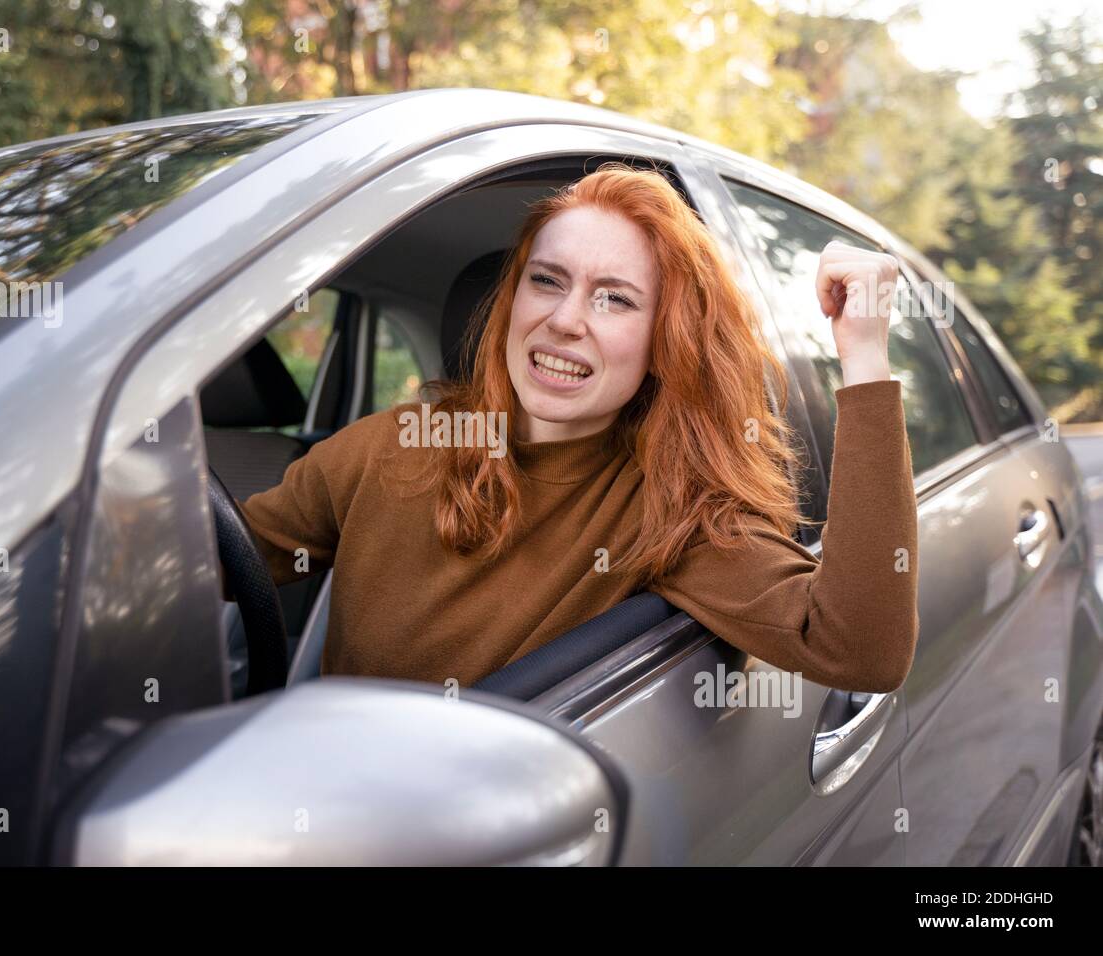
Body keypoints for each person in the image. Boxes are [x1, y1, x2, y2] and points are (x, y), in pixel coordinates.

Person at [234, 162, 919, 694]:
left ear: (664, 340)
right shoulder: (392, 446)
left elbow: (859, 649)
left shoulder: (673, 509)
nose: (565, 320)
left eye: (614, 298)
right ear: (513, 300)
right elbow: (206, 565)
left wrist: (862, 351)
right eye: (547, 281)